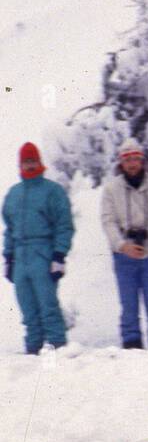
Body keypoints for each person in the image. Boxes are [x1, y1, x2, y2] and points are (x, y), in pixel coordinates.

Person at [100, 137, 148, 349]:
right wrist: (122, 245)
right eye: (127, 159)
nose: (132, 164)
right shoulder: (111, 189)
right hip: (124, 253)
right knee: (128, 305)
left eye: (135, 159)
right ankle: (131, 345)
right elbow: (108, 220)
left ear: (142, 161)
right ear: (121, 163)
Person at [2, 142, 73, 354]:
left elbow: (64, 225)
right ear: (20, 164)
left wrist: (59, 255)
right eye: (26, 162)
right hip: (20, 258)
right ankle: (32, 352)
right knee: (27, 309)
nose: (30, 165)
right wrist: (8, 257)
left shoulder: (52, 191)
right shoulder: (13, 194)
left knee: (48, 305)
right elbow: (9, 228)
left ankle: (57, 348)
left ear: (39, 162)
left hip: (43, 253)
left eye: (33, 161)